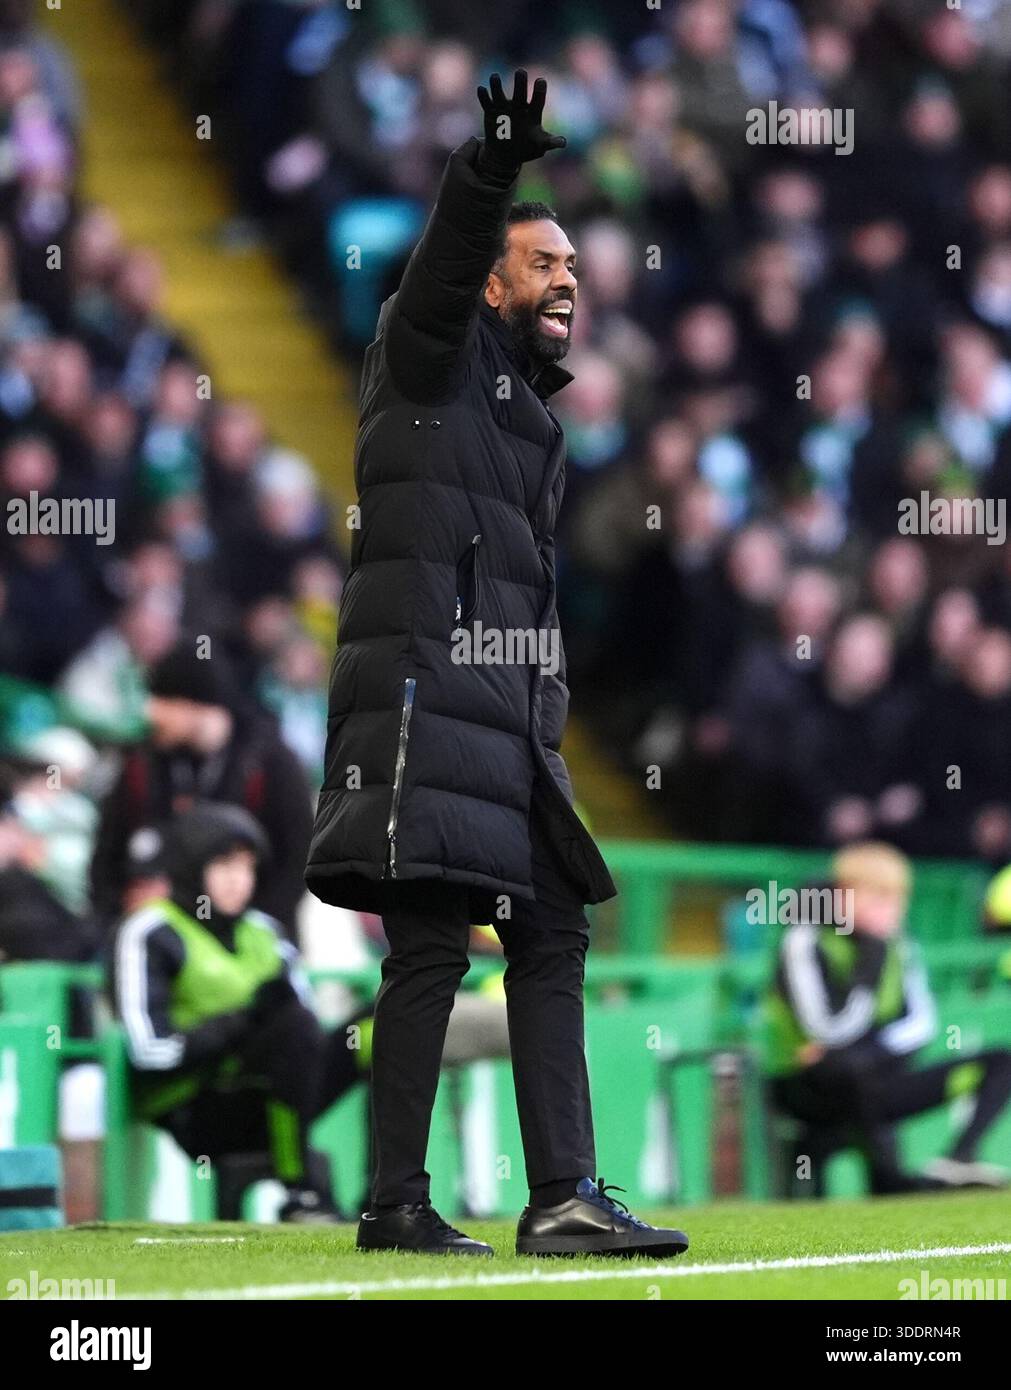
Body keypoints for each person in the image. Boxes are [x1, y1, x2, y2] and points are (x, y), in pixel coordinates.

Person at [305, 71, 688, 1258]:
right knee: (431, 945)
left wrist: (548, 699)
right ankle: (415, 1203)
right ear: (486, 282)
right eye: (543, 262)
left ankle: (536, 1194)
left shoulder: (530, 415)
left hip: (504, 725)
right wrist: (490, 170)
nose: (567, 277)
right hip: (423, 706)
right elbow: (442, 264)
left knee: (545, 928)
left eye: (576, 265)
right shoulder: (424, 361)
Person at [110, 801, 368, 1223]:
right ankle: (301, 1193)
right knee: (290, 1029)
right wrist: (243, 1022)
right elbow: (151, 1051)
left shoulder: (263, 931)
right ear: (193, 869)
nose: (238, 881)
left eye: (246, 868)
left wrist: (272, 1016)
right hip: (197, 1107)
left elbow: (308, 1041)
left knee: (379, 1028)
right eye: (224, 866)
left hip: (278, 1093)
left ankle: (383, 1197)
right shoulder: (151, 930)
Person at [765, 842, 1011, 1193]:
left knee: (1001, 1062)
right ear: (842, 898)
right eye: (879, 898)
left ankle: (958, 1159)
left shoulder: (899, 944)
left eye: (897, 899)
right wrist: (869, 965)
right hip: (808, 1086)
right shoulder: (805, 941)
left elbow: (920, 1025)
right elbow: (826, 1027)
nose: (893, 910)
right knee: (849, 1072)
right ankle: (889, 1181)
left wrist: (865, 1050)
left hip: (873, 1078)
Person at [91, 638, 313, 940]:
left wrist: (243, 927)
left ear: (193, 705)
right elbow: (106, 860)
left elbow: (298, 862)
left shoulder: (271, 765)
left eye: (160, 699)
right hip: (158, 945)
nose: (149, 712)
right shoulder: (142, 763)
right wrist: (121, 911)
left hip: (249, 946)